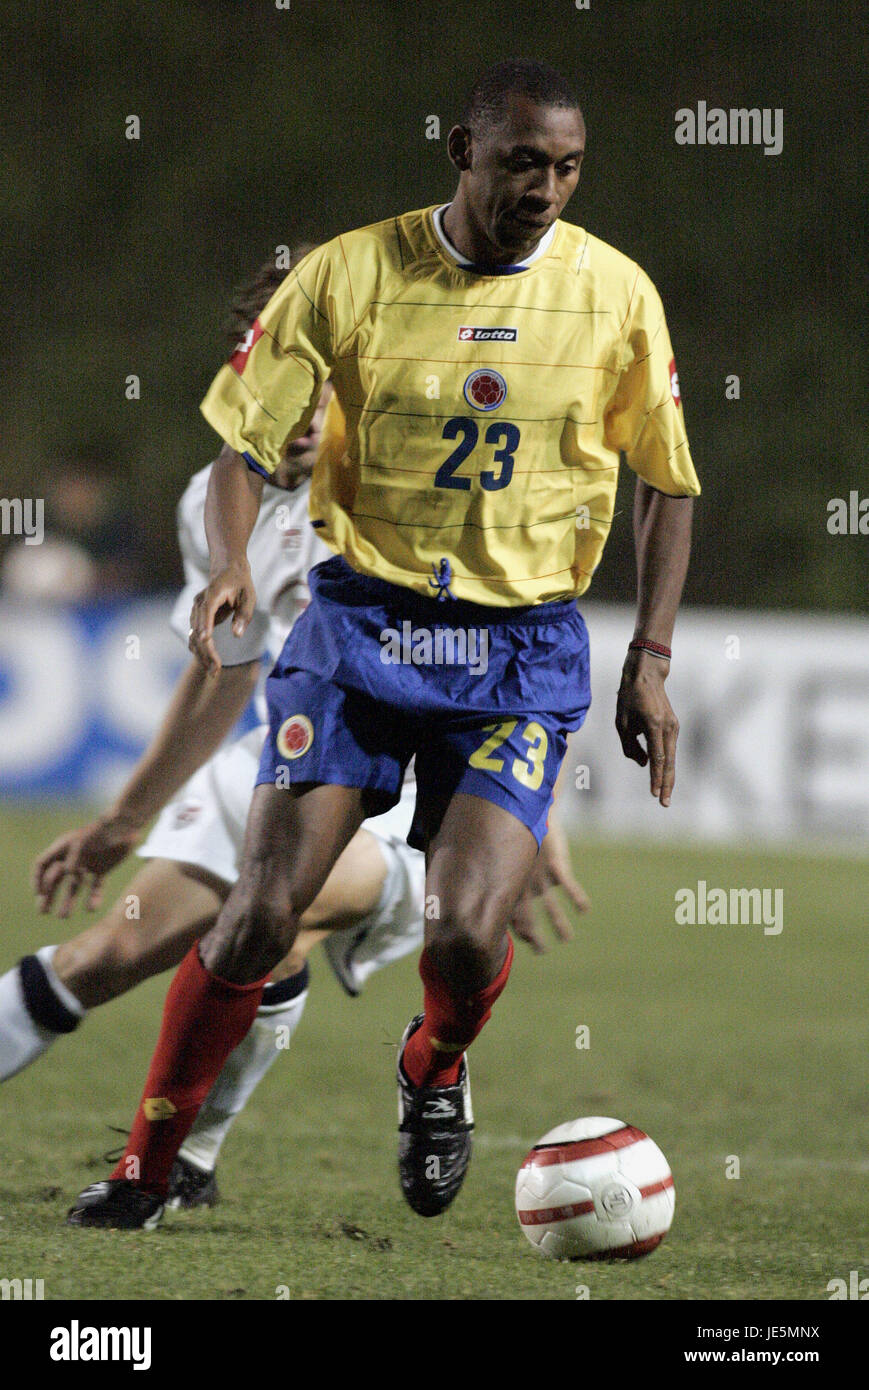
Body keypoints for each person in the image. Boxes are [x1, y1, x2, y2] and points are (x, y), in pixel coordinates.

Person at [68, 57, 698, 1230]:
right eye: (520, 162)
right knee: (255, 913)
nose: (544, 187)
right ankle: (147, 1171)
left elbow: (666, 483)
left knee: (465, 933)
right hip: (359, 627)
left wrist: (648, 659)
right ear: (462, 152)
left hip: (520, 650)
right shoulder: (348, 273)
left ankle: (434, 1068)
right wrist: (231, 565)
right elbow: (243, 454)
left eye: (564, 167)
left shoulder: (615, 294)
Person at [0, 252, 588, 1218]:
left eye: (328, 383)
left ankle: (185, 1161)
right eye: (287, 384)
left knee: (280, 915)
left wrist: (531, 818)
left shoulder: (410, 478)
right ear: (248, 380)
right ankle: (179, 1156)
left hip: (397, 797)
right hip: (283, 760)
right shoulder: (212, 504)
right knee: (105, 955)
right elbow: (225, 672)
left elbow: (515, 630)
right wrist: (122, 820)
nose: (309, 412)